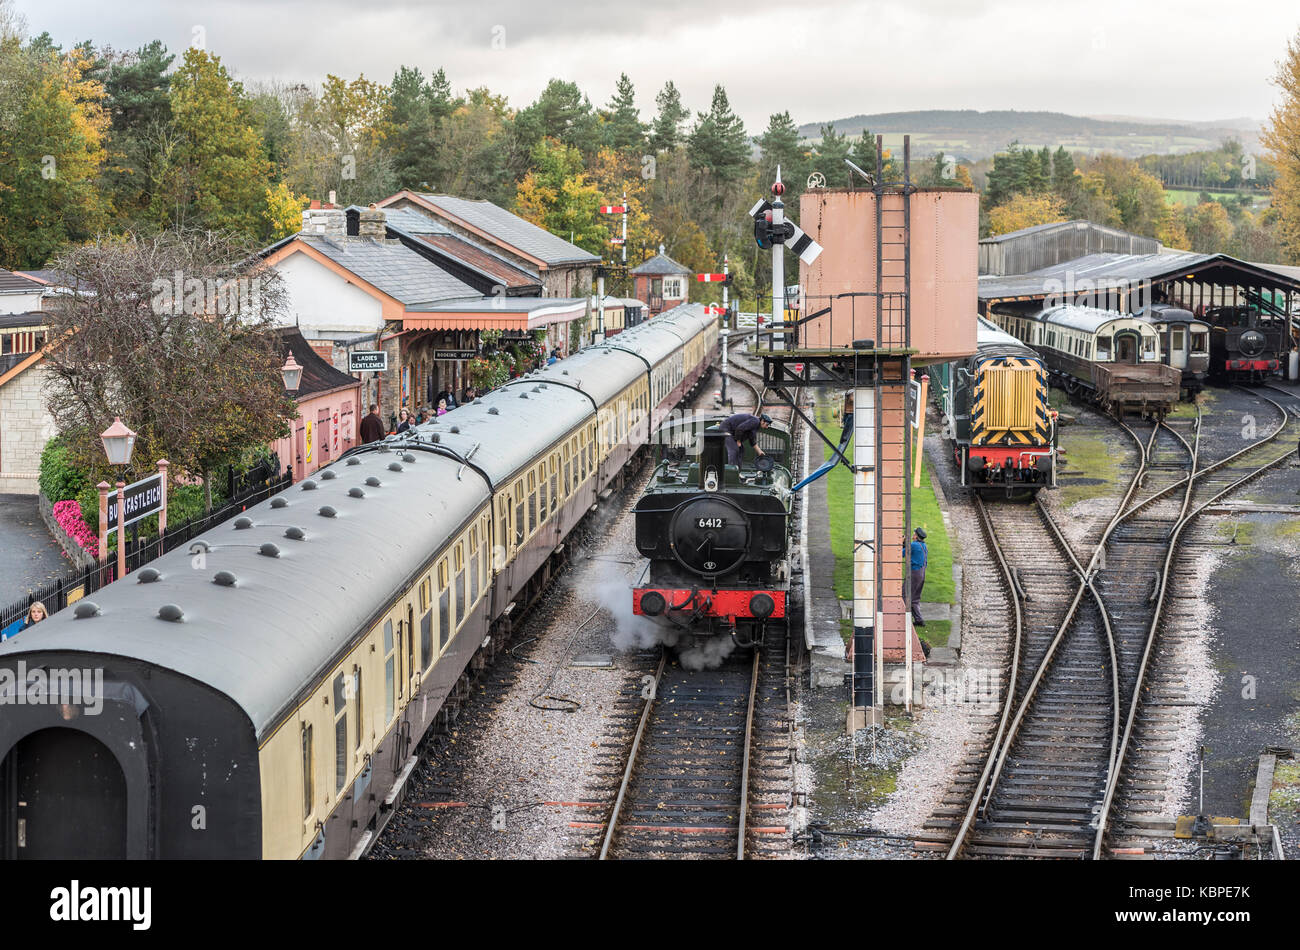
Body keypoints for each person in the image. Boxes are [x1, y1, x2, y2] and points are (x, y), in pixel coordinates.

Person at [909, 527, 928, 629]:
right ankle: (919, 620)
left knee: (905, 595)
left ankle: (903, 618)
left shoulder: (914, 545)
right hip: (922, 573)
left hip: (915, 573)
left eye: (913, 534)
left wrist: (902, 544)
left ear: (916, 536)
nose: (912, 536)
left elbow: (903, 553)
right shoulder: (924, 546)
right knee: (915, 598)